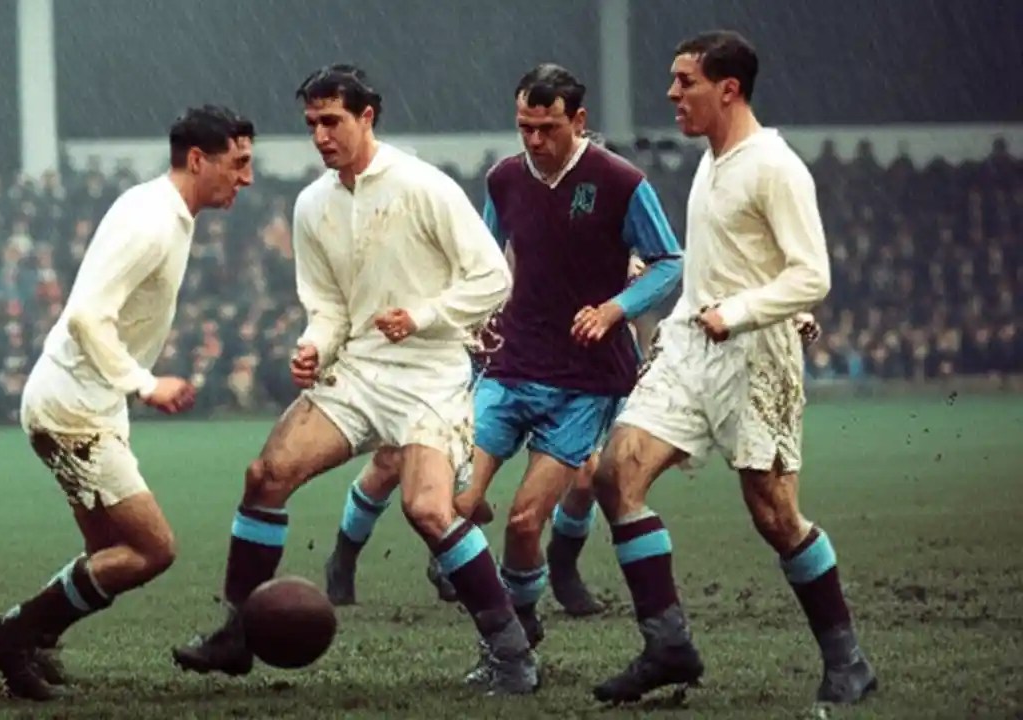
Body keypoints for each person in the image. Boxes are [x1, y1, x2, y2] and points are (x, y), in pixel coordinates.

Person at [171, 64, 538, 695]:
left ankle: (511, 653)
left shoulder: (424, 185)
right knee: (265, 477)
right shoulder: (312, 204)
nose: (320, 136)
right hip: (360, 371)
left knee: (427, 508)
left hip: (429, 376)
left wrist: (420, 316)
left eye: (332, 121)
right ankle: (235, 632)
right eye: (312, 123)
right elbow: (328, 305)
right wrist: (312, 346)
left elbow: (492, 279)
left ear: (367, 117)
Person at [322, 64, 684, 653]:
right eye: (524, 127)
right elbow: (483, 264)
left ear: (579, 121)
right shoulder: (503, 179)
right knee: (451, 504)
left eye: (546, 128)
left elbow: (669, 261)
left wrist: (614, 309)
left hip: (584, 380)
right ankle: (486, 604)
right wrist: (469, 320)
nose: (534, 141)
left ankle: (525, 617)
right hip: (510, 365)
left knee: (523, 522)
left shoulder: (620, 181)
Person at [589, 31, 876, 707]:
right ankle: (668, 645)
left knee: (775, 515)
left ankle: (849, 662)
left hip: (755, 356)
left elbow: (813, 273)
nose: (671, 94)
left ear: (728, 89)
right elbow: (739, 257)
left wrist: (751, 309)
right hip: (692, 343)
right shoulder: (712, 160)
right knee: (616, 473)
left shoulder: (774, 167)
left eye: (683, 80)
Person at [0, 105, 256, 701]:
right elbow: (85, 316)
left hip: (79, 402)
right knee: (153, 549)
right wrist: (143, 382)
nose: (247, 177)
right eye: (239, 163)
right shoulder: (153, 220)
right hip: (74, 411)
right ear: (199, 159)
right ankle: (16, 634)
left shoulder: (164, 209)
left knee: (109, 551)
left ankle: (35, 639)